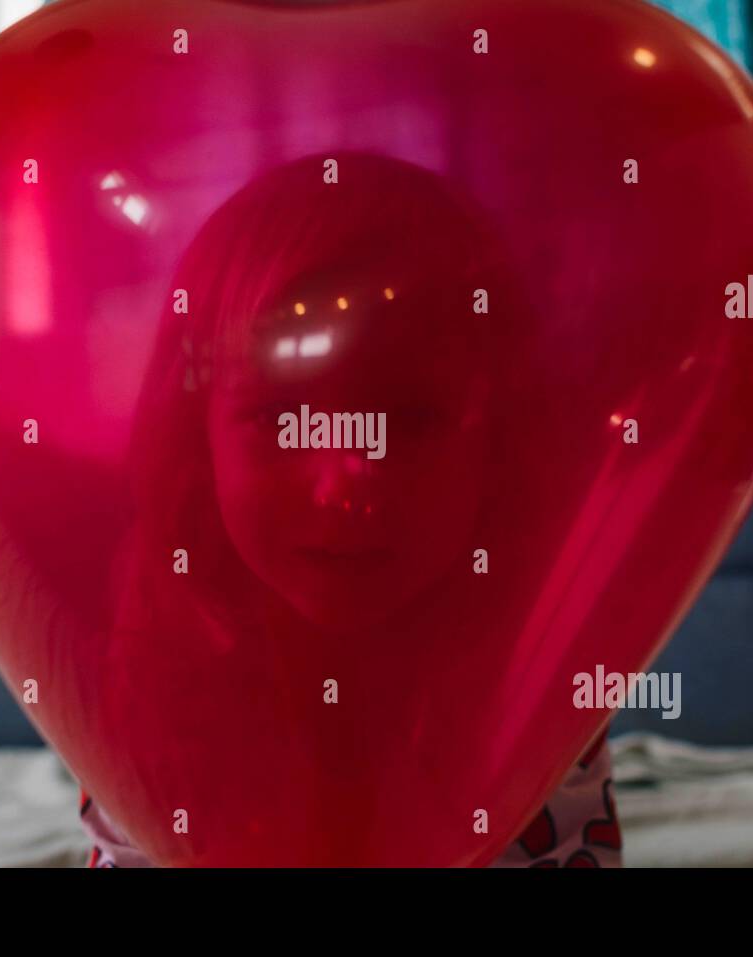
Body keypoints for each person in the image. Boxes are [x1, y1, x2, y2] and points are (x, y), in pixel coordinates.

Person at [86, 153, 622, 866]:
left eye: (409, 419)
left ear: (498, 442)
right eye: (282, 419)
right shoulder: (163, 638)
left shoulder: (533, 650)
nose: (344, 485)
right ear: (198, 433)